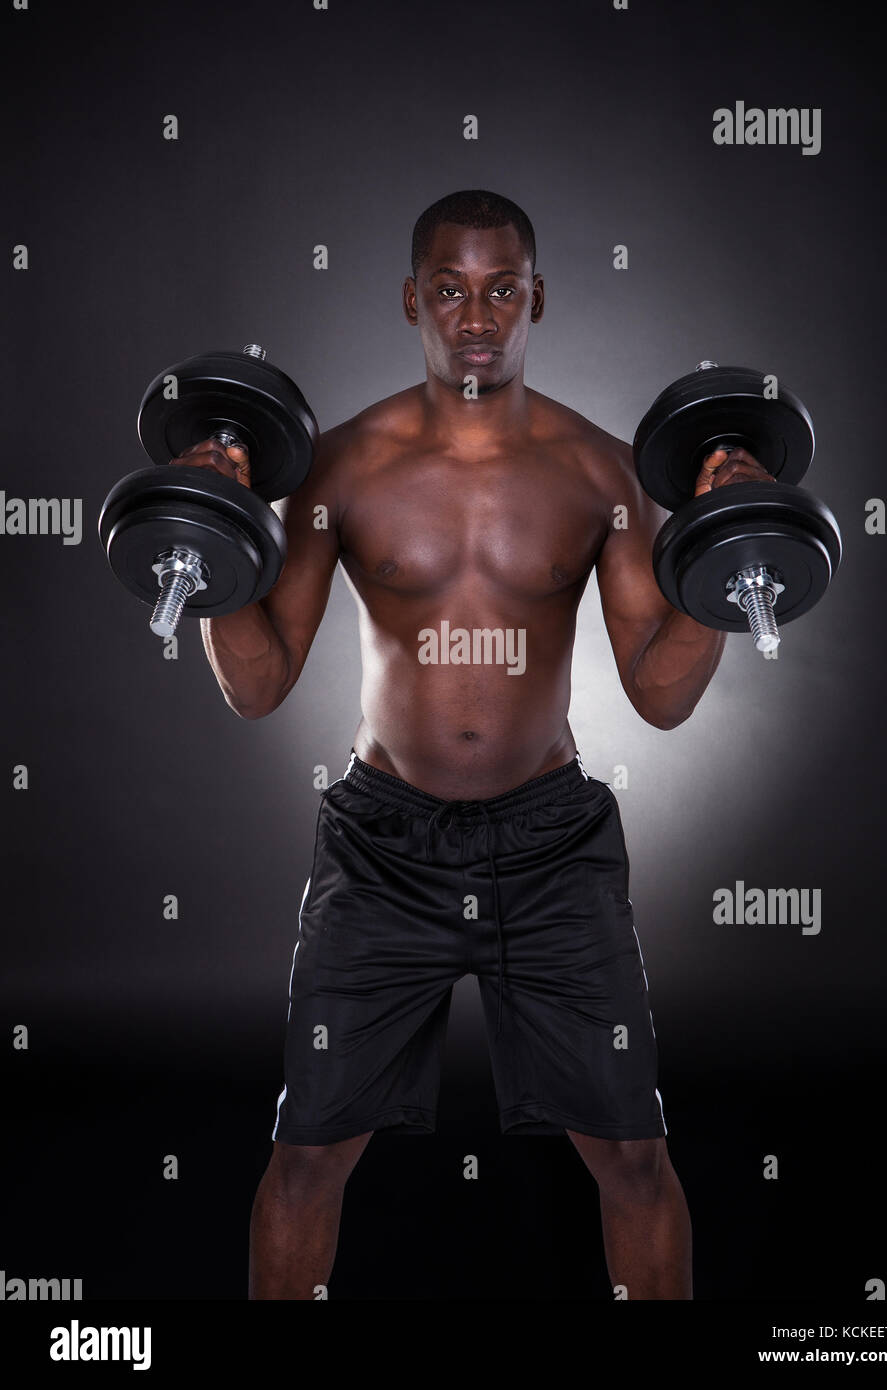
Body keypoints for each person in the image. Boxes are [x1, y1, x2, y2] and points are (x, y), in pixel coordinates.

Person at [175, 189, 775, 1300]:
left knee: (636, 1157)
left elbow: (660, 698)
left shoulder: (599, 475)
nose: (476, 315)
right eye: (449, 290)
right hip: (381, 847)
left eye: (502, 288)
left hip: (550, 846)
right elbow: (261, 687)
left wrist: (721, 562)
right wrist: (207, 557)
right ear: (413, 299)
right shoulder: (341, 468)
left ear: (536, 295)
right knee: (304, 1156)